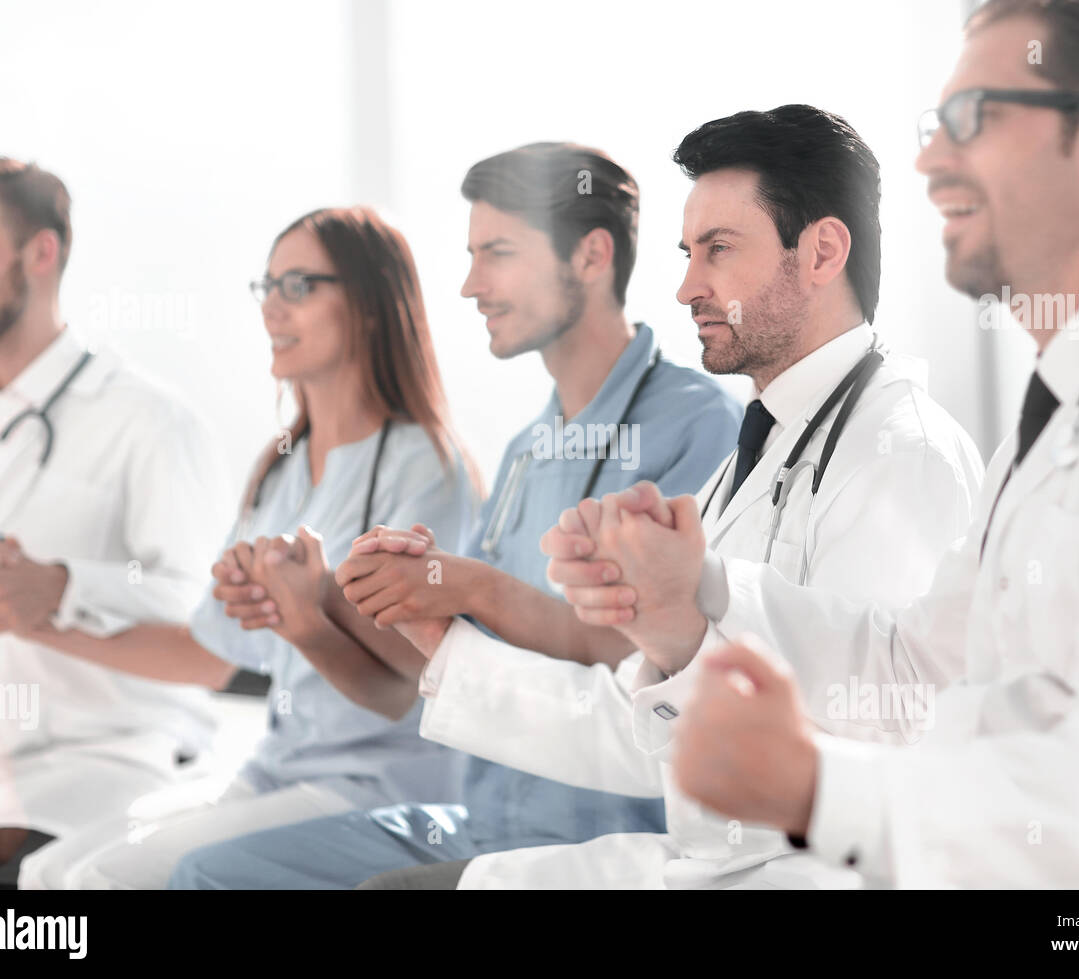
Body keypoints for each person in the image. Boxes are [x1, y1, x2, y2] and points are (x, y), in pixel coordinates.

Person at [591, 0, 1079, 888]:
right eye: (934, 126)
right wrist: (689, 591)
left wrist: (819, 788)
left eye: (974, 118)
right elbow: (909, 666)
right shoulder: (1054, 427)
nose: (931, 159)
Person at [358, 104, 987, 889]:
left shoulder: (900, 454)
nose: (688, 285)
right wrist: (440, 641)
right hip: (701, 858)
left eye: (719, 249)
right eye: (688, 252)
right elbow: (638, 725)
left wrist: (686, 620)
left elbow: (889, 726)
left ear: (822, 251)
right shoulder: (756, 455)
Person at [165, 142, 742, 889]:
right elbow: (409, 690)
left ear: (592, 256)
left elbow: (653, 656)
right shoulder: (523, 456)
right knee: (211, 873)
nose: (471, 285)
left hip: (601, 837)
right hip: (480, 818)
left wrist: (468, 585)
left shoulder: (699, 427)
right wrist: (325, 608)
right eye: (471, 255)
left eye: (497, 253)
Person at [16, 205, 481, 888]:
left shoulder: (427, 467)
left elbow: (422, 673)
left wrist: (316, 601)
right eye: (267, 287)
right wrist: (41, 626)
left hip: (381, 784)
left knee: (101, 883)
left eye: (299, 285)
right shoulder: (280, 466)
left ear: (372, 304)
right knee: (49, 870)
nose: (273, 309)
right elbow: (210, 654)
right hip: (273, 768)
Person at [0, 158, 228, 881]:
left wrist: (66, 586)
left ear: (42, 252)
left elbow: (213, 626)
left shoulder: (150, 422)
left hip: (104, 761)